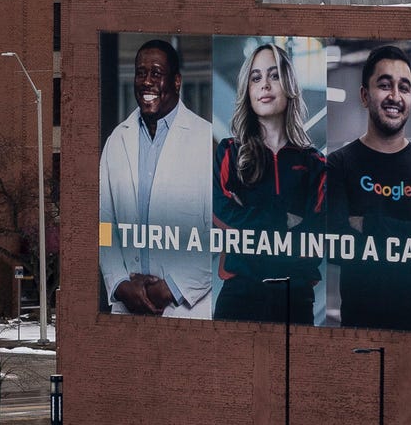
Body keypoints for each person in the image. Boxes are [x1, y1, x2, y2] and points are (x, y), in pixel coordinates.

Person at [324, 45, 411, 332]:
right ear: (365, 95)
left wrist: (367, 224)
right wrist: (408, 234)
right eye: (384, 85)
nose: (395, 96)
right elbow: (336, 246)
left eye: (404, 87)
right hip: (358, 326)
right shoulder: (339, 164)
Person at [97, 38, 215, 318]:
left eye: (156, 73)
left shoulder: (205, 140)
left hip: (185, 307)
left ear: (176, 81)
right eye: (140, 73)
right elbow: (103, 225)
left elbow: (219, 236)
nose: (147, 81)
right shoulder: (116, 140)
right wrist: (120, 284)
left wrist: (171, 288)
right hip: (127, 307)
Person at [212, 40, 326, 323]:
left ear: (289, 85)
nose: (265, 84)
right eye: (256, 78)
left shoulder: (315, 163)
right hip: (239, 294)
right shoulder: (229, 152)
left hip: (295, 296)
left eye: (274, 75)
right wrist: (284, 218)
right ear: (248, 91)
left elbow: (316, 232)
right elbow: (219, 211)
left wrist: (248, 217)